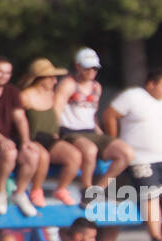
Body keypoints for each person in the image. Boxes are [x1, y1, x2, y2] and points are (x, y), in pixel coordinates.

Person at [103, 69, 162, 241]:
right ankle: (155, 237)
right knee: (150, 196)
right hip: (141, 158)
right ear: (151, 84)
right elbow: (109, 114)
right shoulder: (133, 96)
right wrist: (114, 141)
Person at [54, 48, 132, 200]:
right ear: (78, 66)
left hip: (90, 130)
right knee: (90, 150)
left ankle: (99, 188)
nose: (91, 71)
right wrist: (54, 133)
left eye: (94, 68)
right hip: (70, 130)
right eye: (87, 67)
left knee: (126, 153)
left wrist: (101, 135)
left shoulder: (97, 87)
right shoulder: (68, 84)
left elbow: (92, 114)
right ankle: (86, 187)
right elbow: (56, 108)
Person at [0, 57, 45, 217]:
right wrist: (1, 140)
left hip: (7, 138)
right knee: (9, 152)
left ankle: (19, 193)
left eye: (7, 73)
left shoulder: (12, 91)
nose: (3, 76)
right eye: (0, 71)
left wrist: (25, 141)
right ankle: (0, 193)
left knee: (32, 154)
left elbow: (20, 117)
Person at [18, 58, 84, 207]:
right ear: (41, 79)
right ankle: (36, 189)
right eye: (51, 77)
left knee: (75, 155)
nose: (55, 81)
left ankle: (61, 188)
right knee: (43, 157)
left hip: (50, 138)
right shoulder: (25, 96)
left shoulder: (52, 95)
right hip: (33, 138)